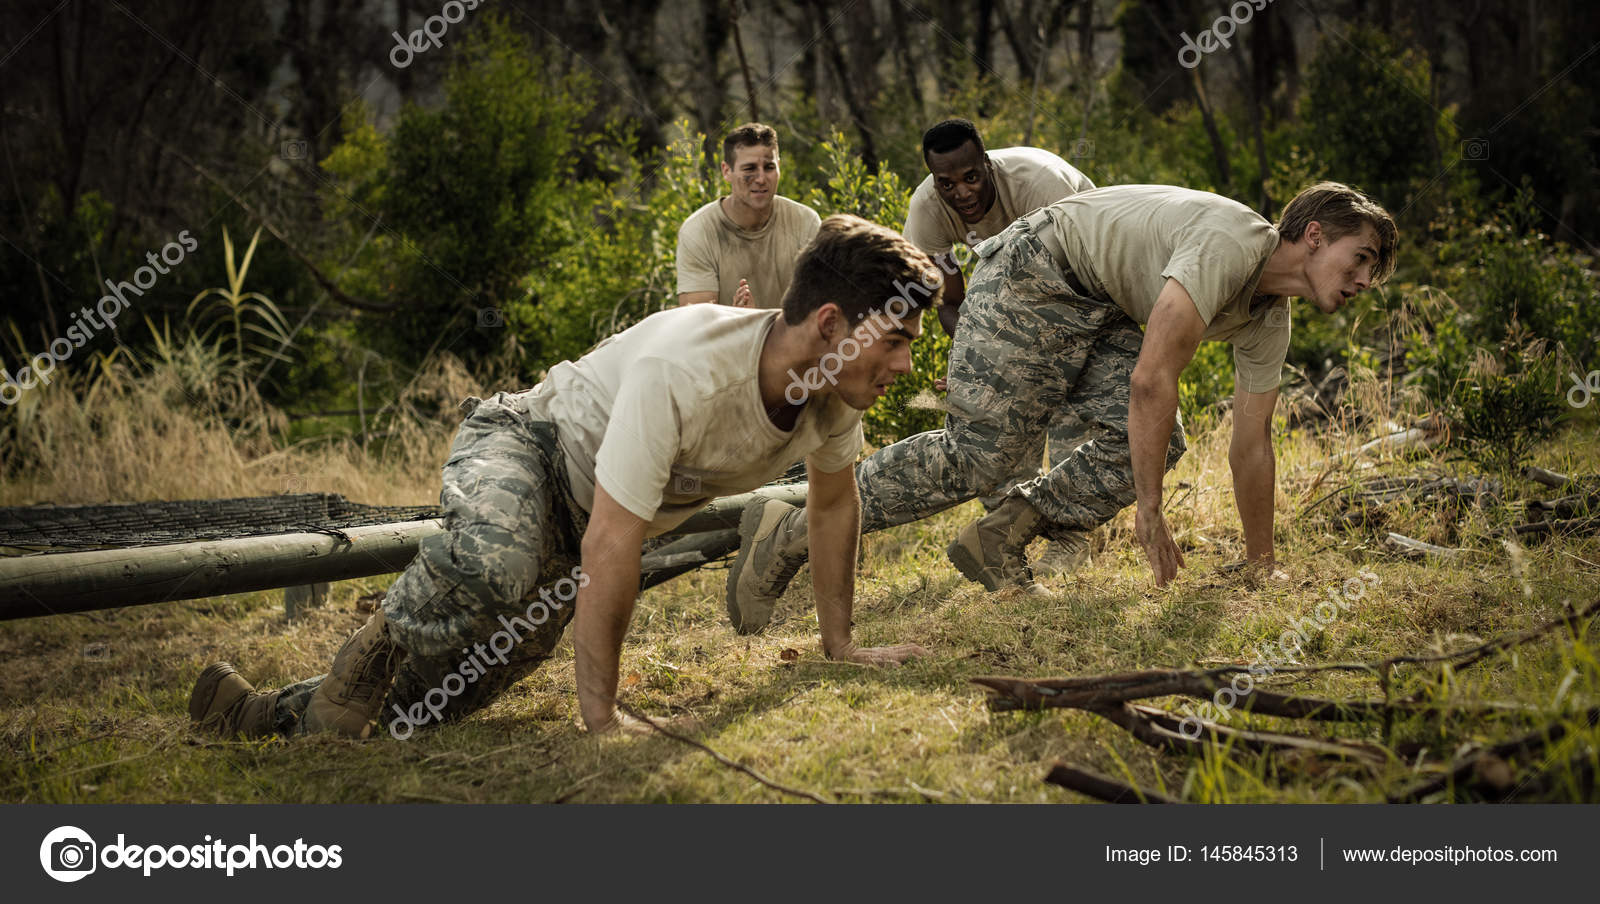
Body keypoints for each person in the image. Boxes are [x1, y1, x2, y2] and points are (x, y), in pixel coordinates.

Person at [191, 214, 937, 741]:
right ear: (832, 325)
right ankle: (368, 655)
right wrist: (603, 718)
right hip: (528, 446)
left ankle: (258, 716)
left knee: (442, 702)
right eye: (897, 341)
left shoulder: (834, 396)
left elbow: (834, 507)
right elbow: (615, 542)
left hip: (585, 516)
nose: (904, 366)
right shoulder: (684, 369)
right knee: (497, 561)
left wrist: (840, 646)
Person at [725, 182, 1396, 632]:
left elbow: (1251, 442)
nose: (1365, 279)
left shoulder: (1267, 319)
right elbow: (1150, 382)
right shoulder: (1229, 244)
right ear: (1312, 234)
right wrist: (1151, 514)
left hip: (1100, 305)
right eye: (1359, 257)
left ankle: (1000, 536)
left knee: (1158, 444)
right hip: (1038, 267)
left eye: (1373, 270)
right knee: (980, 457)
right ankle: (784, 532)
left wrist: (1260, 560)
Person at [902, 118, 1099, 579]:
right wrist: (974, 359)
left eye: (971, 178)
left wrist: (1021, 358)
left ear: (987, 165)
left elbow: (1077, 291)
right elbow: (952, 302)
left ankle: (1074, 541)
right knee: (993, 416)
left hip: (1084, 281)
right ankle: (1024, 534)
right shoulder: (928, 212)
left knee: (1073, 401)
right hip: (1010, 300)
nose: (962, 193)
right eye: (946, 183)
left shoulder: (1041, 187)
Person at [676, 123, 821, 310]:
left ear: (779, 168)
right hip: (727, 338)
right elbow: (698, 326)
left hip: (793, 337)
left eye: (769, 167)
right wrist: (740, 321)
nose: (761, 178)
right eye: (749, 169)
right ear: (727, 171)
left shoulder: (806, 222)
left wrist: (758, 321)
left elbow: (820, 311)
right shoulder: (697, 232)